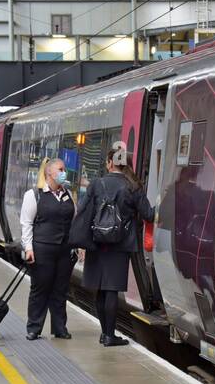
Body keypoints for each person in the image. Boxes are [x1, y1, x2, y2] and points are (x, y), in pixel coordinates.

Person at [70, 146, 154, 346]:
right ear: (125, 164)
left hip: (97, 243)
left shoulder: (97, 184)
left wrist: (82, 243)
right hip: (119, 245)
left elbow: (84, 213)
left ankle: (104, 333)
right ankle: (110, 335)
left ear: (109, 163)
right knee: (111, 290)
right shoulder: (133, 186)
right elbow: (149, 214)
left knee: (100, 289)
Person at [20, 157, 76, 340]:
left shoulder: (68, 194)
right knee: (40, 288)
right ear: (49, 173)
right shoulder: (34, 195)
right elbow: (26, 223)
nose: (64, 172)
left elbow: (74, 221)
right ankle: (34, 327)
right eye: (60, 169)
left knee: (60, 289)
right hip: (42, 248)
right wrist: (28, 248)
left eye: (64, 169)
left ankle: (59, 328)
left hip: (64, 250)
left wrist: (78, 245)